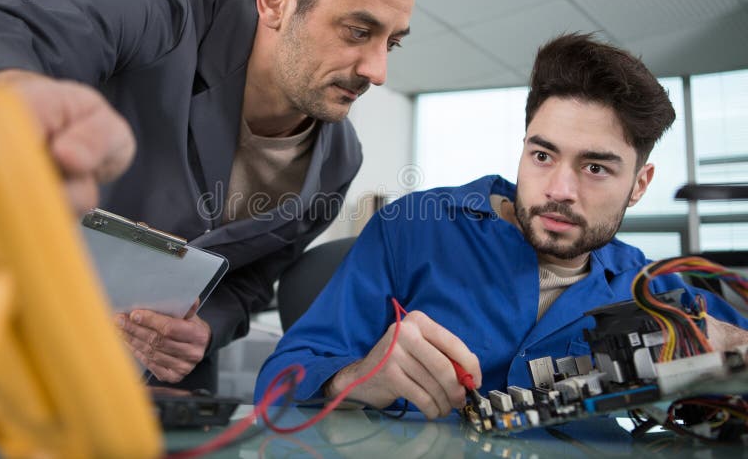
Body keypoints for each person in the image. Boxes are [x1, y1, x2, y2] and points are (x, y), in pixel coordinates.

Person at [0, 0, 437, 391]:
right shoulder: (168, 8)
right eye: (357, 31)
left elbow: (249, 283)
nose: (377, 71)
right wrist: (15, 92)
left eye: (391, 42)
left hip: (140, 387)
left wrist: (207, 327)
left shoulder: (340, 160)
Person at [254, 33, 748, 419]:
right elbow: (276, 381)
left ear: (640, 184)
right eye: (542, 154)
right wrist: (356, 378)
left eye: (595, 168)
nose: (559, 189)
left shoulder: (650, 286)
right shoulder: (410, 228)